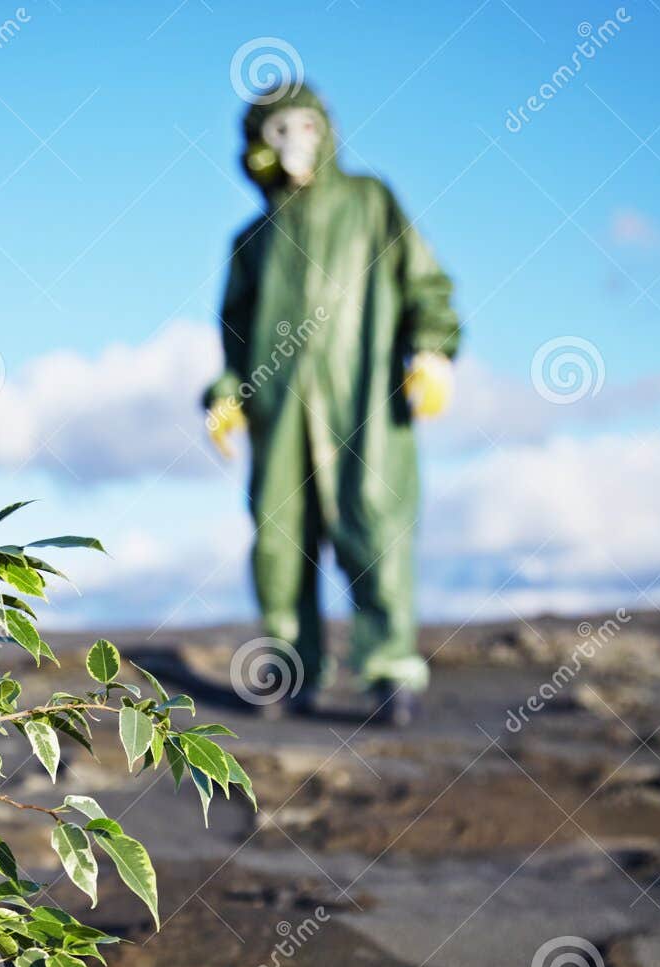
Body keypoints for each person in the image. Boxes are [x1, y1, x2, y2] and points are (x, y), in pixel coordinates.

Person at [205, 82, 460, 725]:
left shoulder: (370, 202)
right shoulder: (252, 240)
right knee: (280, 538)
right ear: (258, 143)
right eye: (278, 129)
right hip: (279, 407)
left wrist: (431, 350)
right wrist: (225, 395)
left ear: (327, 129)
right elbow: (235, 334)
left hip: (365, 396)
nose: (293, 142)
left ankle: (390, 670)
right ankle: (290, 668)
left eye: (305, 126)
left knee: (374, 522)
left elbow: (422, 279)